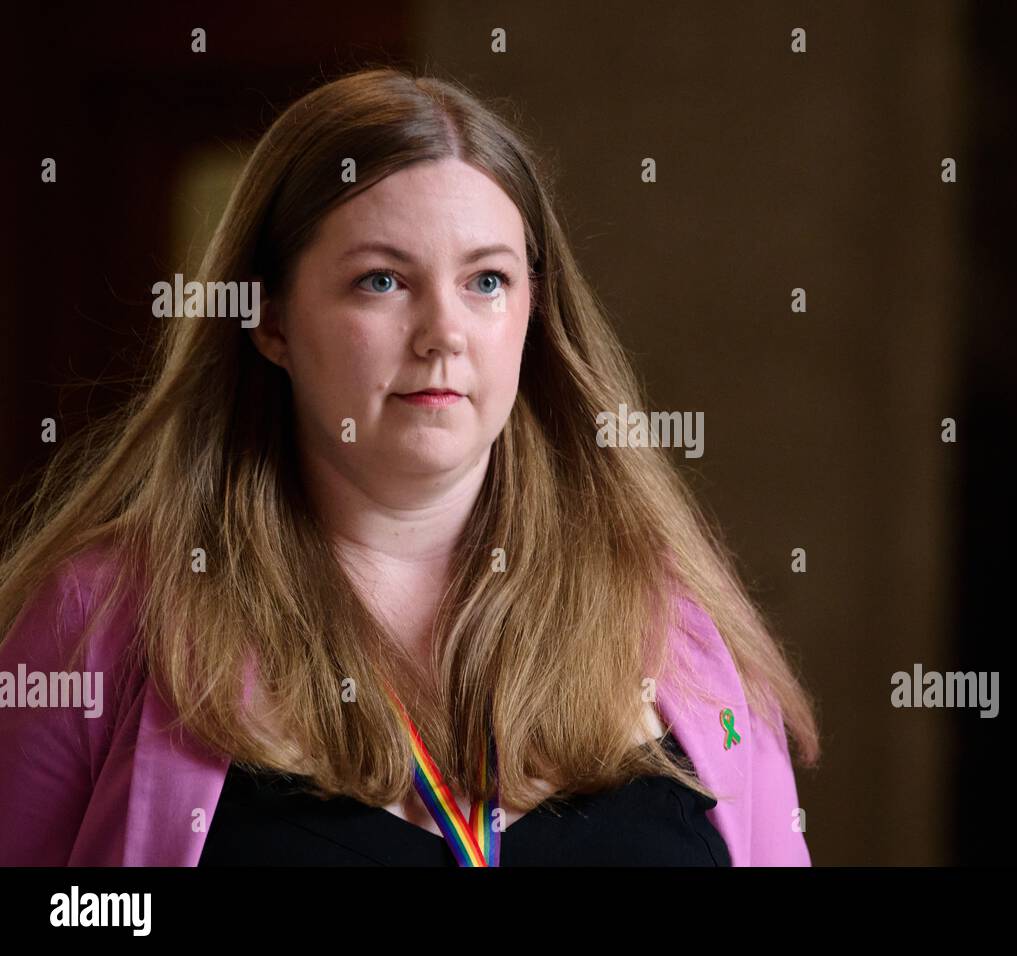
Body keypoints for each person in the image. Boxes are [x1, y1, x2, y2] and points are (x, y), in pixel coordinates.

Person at [0, 68, 819, 866]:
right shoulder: (99, 617)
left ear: (534, 313)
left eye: (487, 280)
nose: (443, 333)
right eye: (382, 281)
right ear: (270, 319)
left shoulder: (676, 626)